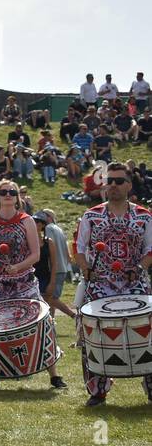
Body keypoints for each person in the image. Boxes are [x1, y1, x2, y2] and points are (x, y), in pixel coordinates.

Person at [0, 179, 66, 389]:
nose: (8, 194)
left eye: (12, 191)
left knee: (43, 323)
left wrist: (18, 267)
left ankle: (54, 374)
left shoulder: (26, 220)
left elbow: (36, 254)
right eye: (3, 191)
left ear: (17, 197)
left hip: (24, 282)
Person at [74, 161, 152, 406]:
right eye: (109, 181)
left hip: (135, 284)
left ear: (129, 185)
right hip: (100, 284)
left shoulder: (144, 216)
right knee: (92, 335)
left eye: (119, 181)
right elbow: (79, 248)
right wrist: (86, 270)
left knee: (149, 334)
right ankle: (98, 390)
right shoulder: (91, 215)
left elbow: (150, 249)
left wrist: (139, 268)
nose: (114, 186)